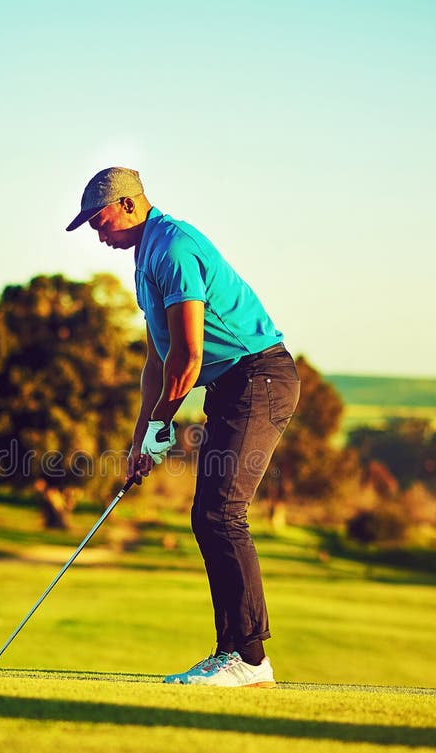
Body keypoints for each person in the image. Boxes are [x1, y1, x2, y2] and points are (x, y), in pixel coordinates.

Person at [66, 167, 300, 687]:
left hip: (259, 376)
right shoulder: (144, 259)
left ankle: (252, 661)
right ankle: (232, 654)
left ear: (128, 205)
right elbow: (158, 360)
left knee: (221, 513)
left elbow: (189, 358)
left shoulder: (172, 247)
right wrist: (139, 441)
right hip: (234, 385)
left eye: (98, 220)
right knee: (208, 515)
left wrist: (159, 431)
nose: (95, 232)